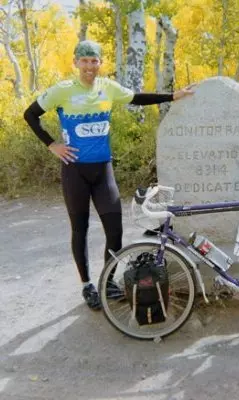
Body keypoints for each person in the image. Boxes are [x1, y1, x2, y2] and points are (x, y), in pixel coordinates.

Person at [24, 40, 194, 310]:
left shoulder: (108, 88)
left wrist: (173, 95)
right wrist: (52, 145)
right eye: (85, 60)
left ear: (100, 63)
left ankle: (108, 281)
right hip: (74, 172)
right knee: (80, 229)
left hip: (103, 170)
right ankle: (87, 286)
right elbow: (30, 114)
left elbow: (137, 98)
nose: (90, 66)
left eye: (94, 61)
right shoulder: (62, 91)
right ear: (75, 63)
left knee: (115, 231)